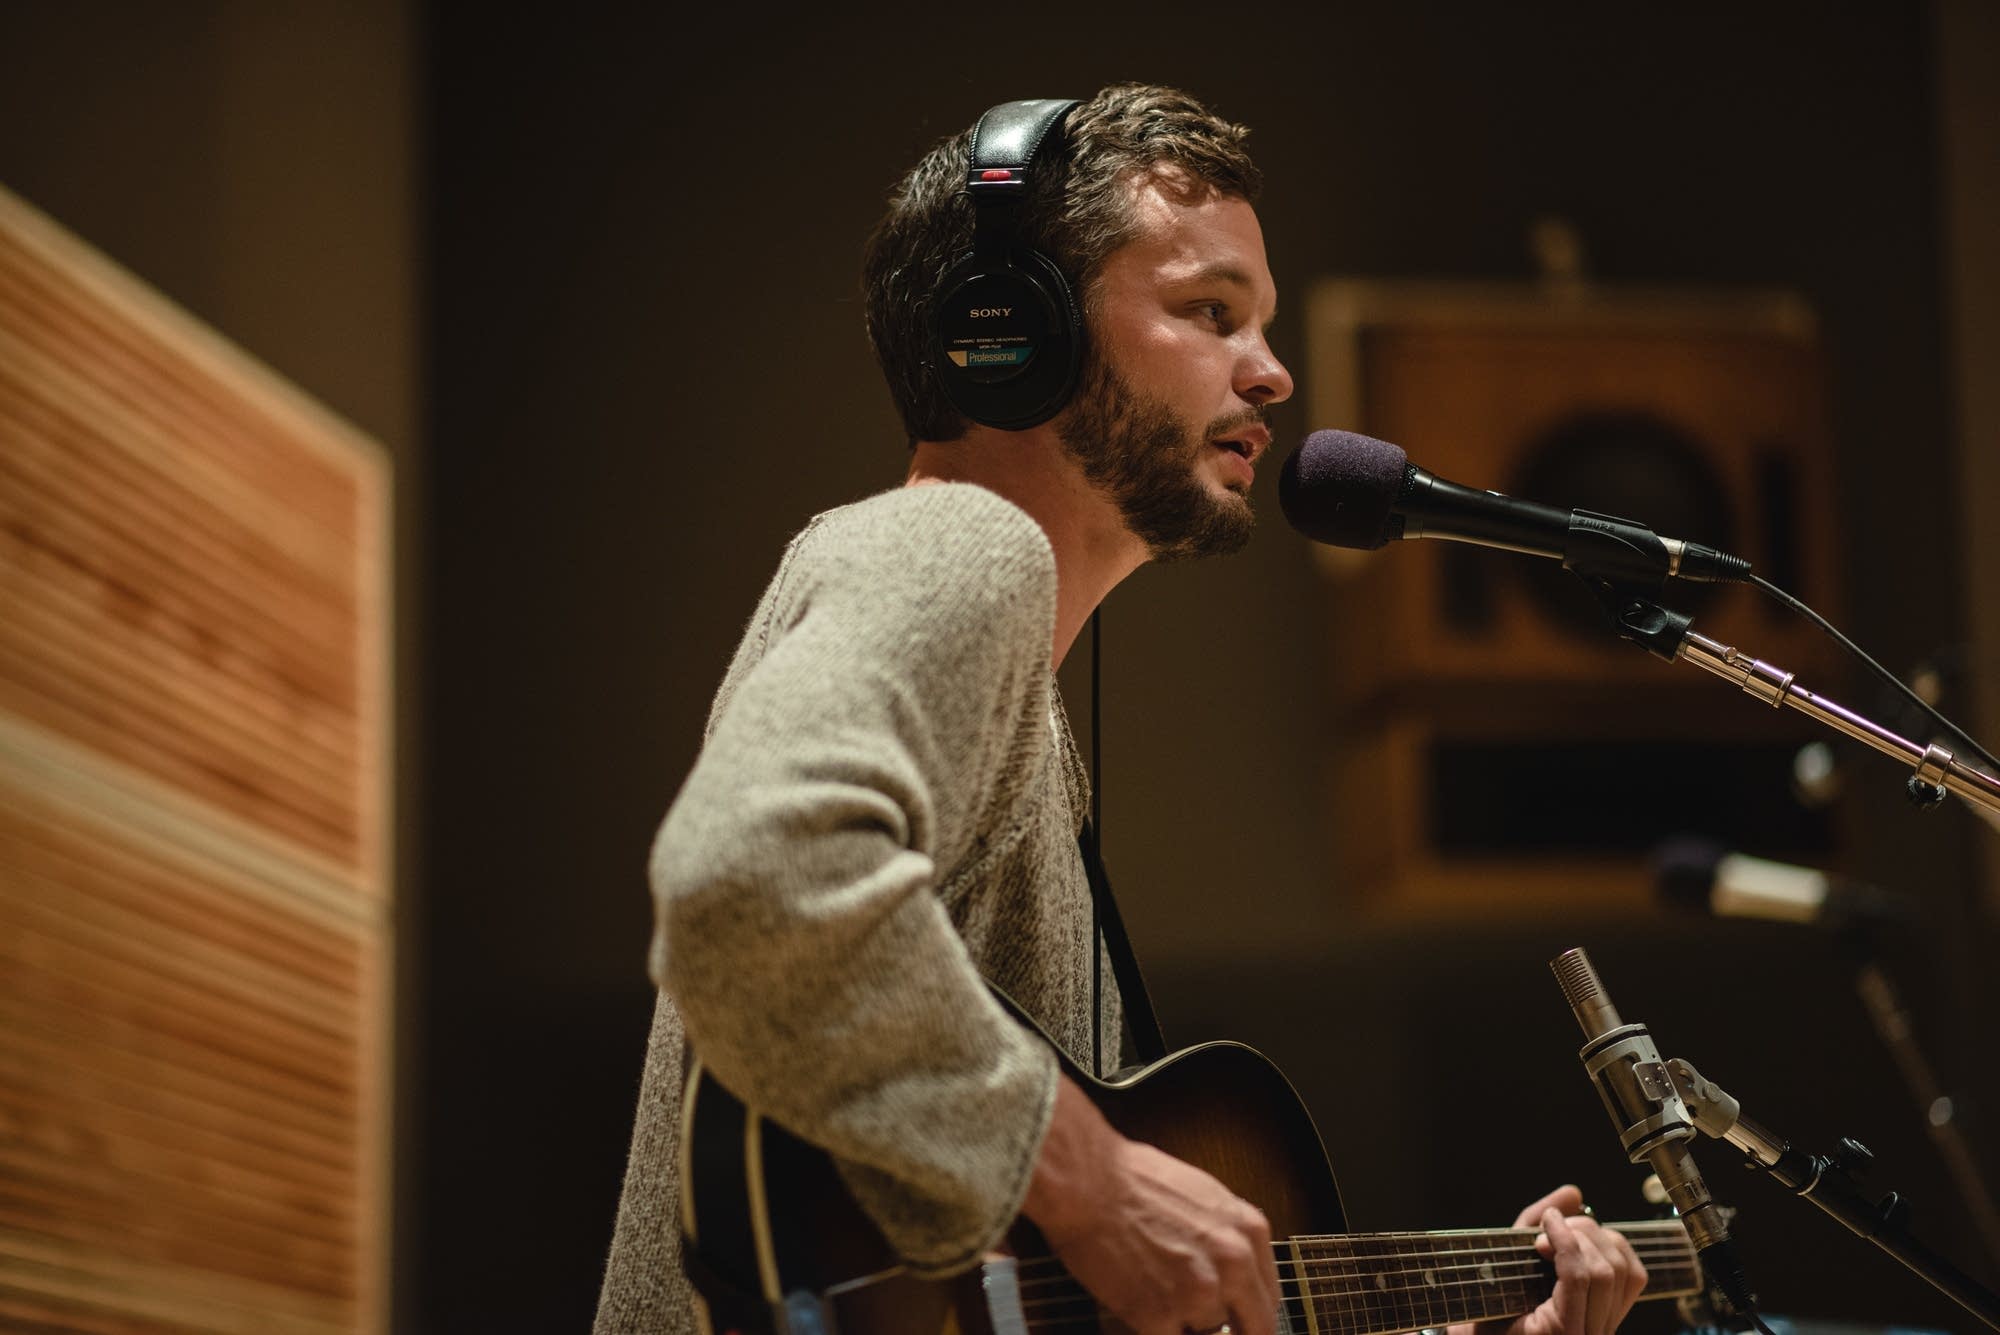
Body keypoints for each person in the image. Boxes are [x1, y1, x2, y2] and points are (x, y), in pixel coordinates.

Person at [593, 84, 1647, 1335]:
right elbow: (748, 877)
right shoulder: (957, 548)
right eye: (1209, 312)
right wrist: (1092, 1181)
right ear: (1011, 331)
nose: (1272, 372)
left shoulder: (1027, 719)